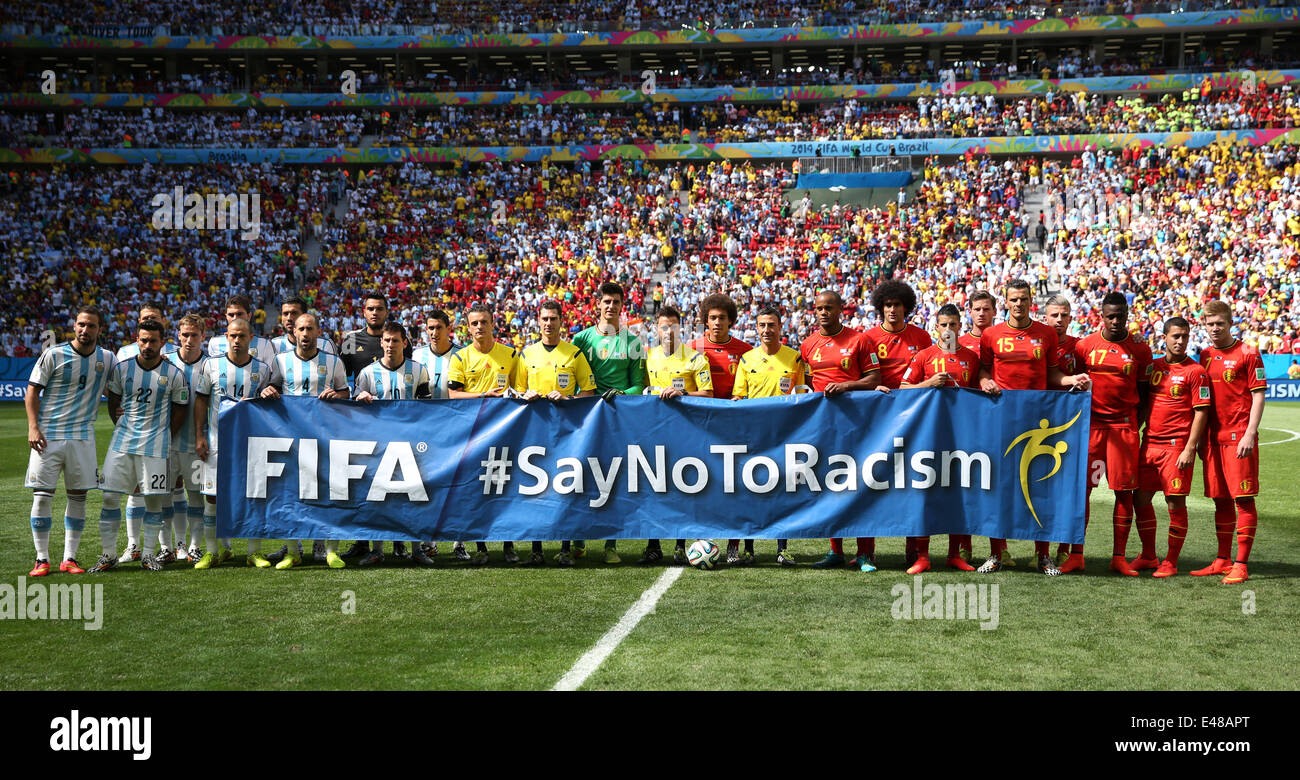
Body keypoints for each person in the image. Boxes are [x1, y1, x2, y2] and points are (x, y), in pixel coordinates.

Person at [978, 279, 1091, 577]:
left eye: (1023, 299)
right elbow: (984, 370)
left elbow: (1052, 374)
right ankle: (996, 553)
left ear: (1031, 302)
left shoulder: (1045, 334)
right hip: (1001, 421)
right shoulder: (991, 334)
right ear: (1005, 302)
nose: (1018, 304)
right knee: (999, 488)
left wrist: (1071, 380)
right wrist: (983, 380)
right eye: (1013, 299)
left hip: (1039, 421)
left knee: (1040, 484)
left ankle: (1043, 556)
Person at [89, 320, 190, 573]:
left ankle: (147, 555)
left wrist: (165, 434)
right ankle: (108, 554)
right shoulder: (122, 370)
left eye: (152, 341)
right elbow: (113, 401)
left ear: (161, 342)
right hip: (122, 444)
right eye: (143, 340)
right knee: (110, 497)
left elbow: (180, 409)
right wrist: (121, 423)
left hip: (156, 448)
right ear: (137, 340)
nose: (147, 345)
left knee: (154, 502)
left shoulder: (173, 374)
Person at [24, 305, 116, 577]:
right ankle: (42, 559)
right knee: (42, 496)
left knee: (79, 497)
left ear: (100, 329)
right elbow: (32, 392)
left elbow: (116, 391)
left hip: (82, 438)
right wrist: (33, 427)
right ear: (74, 326)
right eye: (80, 324)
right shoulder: (53, 354)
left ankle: (69, 558)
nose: (84, 330)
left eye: (90, 325)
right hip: (48, 437)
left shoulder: (107, 359)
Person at [1070, 291, 1153, 575]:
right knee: (1082, 492)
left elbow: (1144, 394)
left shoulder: (1140, 349)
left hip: (1123, 429)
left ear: (1127, 315)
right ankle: (1076, 554)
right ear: (1101, 316)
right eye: (1111, 316)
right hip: (1092, 429)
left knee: (1124, 494)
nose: (1116, 321)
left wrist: (1134, 424)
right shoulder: (1085, 346)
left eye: (1120, 316)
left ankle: (1119, 557)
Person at [259, 312, 351, 570]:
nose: (306, 334)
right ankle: (293, 551)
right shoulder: (280, 361)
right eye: (301, 329)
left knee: (328, 491)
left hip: (325, 437)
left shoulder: (333, 362)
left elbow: (346, 391)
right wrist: (268, 390)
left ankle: (330, 549)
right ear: (294, 332)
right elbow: (271, 389)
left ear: (318, 332)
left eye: (310, 328)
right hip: (291, 438)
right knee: (290, 494)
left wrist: (338, 393)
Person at [799, 290, 882, 571]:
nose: (823, 312)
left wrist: (846, 386)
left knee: (861, 484)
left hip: (857, 422)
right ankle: (835, 550)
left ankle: (865, 553)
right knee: (828, 485)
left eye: (829, 308)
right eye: (819, 308)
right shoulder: (808, 344)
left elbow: (874, 378)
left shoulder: (859, 340)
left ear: (840, 310)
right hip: (823, 425)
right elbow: (807, 381)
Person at [513, 300, 597, 566]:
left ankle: (565, 549)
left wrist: (568, 397)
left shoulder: (573, 354)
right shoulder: (526, 355)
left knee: (566, 486)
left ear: (562, 321)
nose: (549, 323)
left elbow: (589, 391)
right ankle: (536, 550)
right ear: (538, 321)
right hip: (534, 431)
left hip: (567, 431)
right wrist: (525, 395)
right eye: (545, 319)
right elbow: (515, 392)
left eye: (553, 319)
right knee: (534, 489)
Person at [900, 303, 981, 573]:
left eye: (953, 325)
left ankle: (953, 555)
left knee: (958, 495)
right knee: (925, 493)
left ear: (960, 326)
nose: (948, 330)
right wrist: (929, 384)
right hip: (928, 435)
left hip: (961, 437)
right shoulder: (924, 356)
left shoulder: (971, 357)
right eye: (943, 325)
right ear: (936, 327)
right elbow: (903, 388)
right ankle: (922, 556)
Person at [193, 318, 277, 569]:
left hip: (250, 446)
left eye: (241, 336)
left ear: (251, 337)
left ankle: (254, 552)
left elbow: (268, 405)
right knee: (212, 499)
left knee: (253, 497)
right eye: (232, 336)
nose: (237, 341)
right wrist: (200, 435)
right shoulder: (211, 365)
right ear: (226, 337)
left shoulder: (262, 370)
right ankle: (212, 552)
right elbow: (201, 401)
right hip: (217, 444)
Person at [572, 282, 647, 564]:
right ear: (597, 305)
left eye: (616, 302)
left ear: (621, 306)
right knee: (579, 476)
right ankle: (577, 540)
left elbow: (639, 386)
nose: (611, 306)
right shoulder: (580, 340)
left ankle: (610, 545)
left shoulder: (633, 343)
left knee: (612, 480)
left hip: (618, 418)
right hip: (586, 418)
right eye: (606, 301)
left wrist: (621, 394)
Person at [1195, 300, 1267, 585]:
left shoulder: (1248, 353)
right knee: (1220, 500)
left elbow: (1259, 395)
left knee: (1243, 500)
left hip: (1239, 438)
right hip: (1212, 439)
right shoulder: (1204, 355)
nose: (1215, 329)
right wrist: (1200, 440)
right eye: (1210, 324)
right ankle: (1222, 559)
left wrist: (1250, 432)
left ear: (1230, 323)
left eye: (1220, 324)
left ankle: (1241, 563)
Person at [353, 322, 436, 567]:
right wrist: (359, 397)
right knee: (378, 498)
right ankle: (377, 549)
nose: (390, 345)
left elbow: (426, 409)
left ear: (405, 343)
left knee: (414, 498)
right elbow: (354, 409)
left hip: (410, 445)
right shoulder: (367, 373)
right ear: (381, 343)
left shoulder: (418, 370)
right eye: (387, 340)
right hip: (378, 446)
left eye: (395, 341)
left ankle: (417, 549)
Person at [448, 303, 523, 566]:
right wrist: (484, 395)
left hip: (505, 433)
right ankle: (480, 546)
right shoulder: (460, 358)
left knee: (505, 489)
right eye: (474, 323)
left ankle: (508, 545)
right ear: (468, 328)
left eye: (484, 322)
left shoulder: (511, 355)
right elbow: (453, 394)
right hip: (473, 435)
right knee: (478, 491)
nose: (480, 327)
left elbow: (520, 390)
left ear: (493, 324)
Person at [864, 279, 932, 570]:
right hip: (876, 420)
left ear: (907, 307)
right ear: (881, 308)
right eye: (887, 305)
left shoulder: (923, 337)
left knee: (915, 483)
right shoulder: (867, 338)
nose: (892, 309)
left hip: (914, 419)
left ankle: (914, 550)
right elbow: (864, 376)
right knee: (867, 483)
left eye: (897, 305)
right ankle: (866, 552)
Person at [1134, 316, 1210, 578]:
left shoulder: (1196, 372)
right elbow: (1144, 403)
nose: (1180, 341)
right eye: (1175, 336)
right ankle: (1148, 555)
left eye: (1185, 336)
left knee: (1174, 502)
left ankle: (1171, 561)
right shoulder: (1153, 367)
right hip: (1149, 443)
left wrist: (1190, 448)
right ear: (1164, 337)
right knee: (1140, 498)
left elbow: (1201, 413)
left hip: (1176, 447)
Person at [731, 306, 807, 567]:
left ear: (780, 327)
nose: (766, 330)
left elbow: (802, 396)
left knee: (782, 492)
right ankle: (749, 549)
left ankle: (782, 549)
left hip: (785, 435)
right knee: (750, 492)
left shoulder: (794, 358)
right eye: (762, 325)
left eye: (771, 325)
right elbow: (738, 397)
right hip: (753, 436)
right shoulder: (746, 359)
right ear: (756, 328)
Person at [641, 305, 713, 565]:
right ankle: (653, 545)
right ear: (656, 329)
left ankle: (681, 544)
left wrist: (683, 393)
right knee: (654, 488)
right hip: (654, 431)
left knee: (684, 488)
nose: (668, 331)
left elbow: (708, 393)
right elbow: (643, 391)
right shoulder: (648, 357)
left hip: (686, 433)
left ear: (680, 328)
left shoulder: (695, 358)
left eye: (673, 326)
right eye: (663, 326)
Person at [687, 293, 754, 565]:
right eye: (712, 318)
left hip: (735, 429)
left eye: (722, 318)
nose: (717, 323)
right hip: (700, 428)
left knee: (737, 486)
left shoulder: (745, 351)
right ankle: (701, 538)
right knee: (702, 485)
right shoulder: (691, 348)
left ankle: (735, 546)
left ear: (731, 321)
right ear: (705, 320)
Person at [113, 302, 176, 565]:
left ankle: (167, 546)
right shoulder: (125, 353)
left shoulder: (172, 352)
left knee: (164, 491)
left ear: (163, 323)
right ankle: (133, 546)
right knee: (133, 490)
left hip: (162, 434)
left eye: (154, 318)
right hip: (131, 436)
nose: (149, 320)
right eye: (145, 318)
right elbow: (116, 395)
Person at [411, 308, 461, 560]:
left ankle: (458, 541)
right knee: (425, 487)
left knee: (457, 486)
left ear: (447, 328)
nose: (433, 332)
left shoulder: (461, 354)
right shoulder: (417, 355)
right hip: (427, 430)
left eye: (438, 327)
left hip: (455, 429)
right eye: (429, 328)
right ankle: (427, 541)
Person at [161, 314, 208, 565]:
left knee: (196, 498)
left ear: (203, 336)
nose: (189, 340)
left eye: (194, 335)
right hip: (166, 444)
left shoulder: (210, 365)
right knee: (163, 496)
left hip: (195, 444)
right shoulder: (165, 363)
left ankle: (194, 547)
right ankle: (168, 547)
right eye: (185, 335)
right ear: (178, 335)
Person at [1042, 294, 1080, 567]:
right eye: (1054, 315)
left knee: (1067, 486)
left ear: (1070, 318)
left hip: (1069, 426)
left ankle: (1065, 548)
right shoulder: (1039, 342)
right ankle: (1009, 549)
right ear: (1045, 317)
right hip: (1037, 422)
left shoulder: (1080, 348)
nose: (1058, 320)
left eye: (1063, 315)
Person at [271, 296, 337, 356]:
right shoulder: (274, 345)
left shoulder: (325, 345)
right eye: (285, 314)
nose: (289, 318)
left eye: (294, 313)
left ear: (305, 315)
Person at [959, 290, 996, 354]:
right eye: (977, 309)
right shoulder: (959, 344)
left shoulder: (1003, 341)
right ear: (970, 312)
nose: (981, 313)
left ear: (994, 312)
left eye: (986, 309)